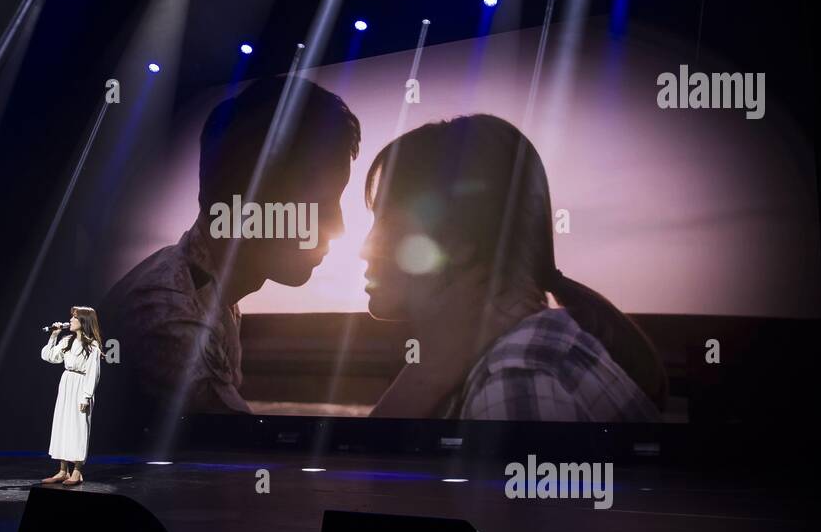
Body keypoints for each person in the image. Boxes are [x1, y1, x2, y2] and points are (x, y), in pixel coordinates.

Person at [360, 115, 667, 423]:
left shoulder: (516, 380)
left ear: (457, 242)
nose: (364, 250)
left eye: (386, 221)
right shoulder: (530, 352)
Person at [99, 76, 361, 434]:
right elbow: (242, 456)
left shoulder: (208, 288)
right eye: (319, 203)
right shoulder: (167, 316)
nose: (338, 226)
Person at [41, 306, 102, 485]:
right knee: (63, 424)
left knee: (78, 427)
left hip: (81, 385)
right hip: (67, 383)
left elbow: (93, 373)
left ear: (83, 321)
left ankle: (77, 471)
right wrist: (53, 336)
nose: (71, 321)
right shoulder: (67, 340)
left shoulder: (92, 346)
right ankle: (62, 470)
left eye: (75, 318)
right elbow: (49, 356)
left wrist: (86, 396)